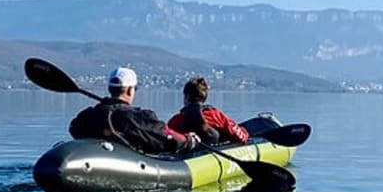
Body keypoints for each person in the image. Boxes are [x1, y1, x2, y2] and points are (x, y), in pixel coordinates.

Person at [69, 66, 198, 154]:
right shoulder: (141, 117)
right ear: (131, 90)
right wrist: (188, 140)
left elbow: (73, 129)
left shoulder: (86, 116)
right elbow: (165, 136)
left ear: (110, 89)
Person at [167, 77, 250, 145]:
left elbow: (166, 137)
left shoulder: (176, 120)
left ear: (187, 97)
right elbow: (241, 136)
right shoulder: (215, 115)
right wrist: (245, 133)